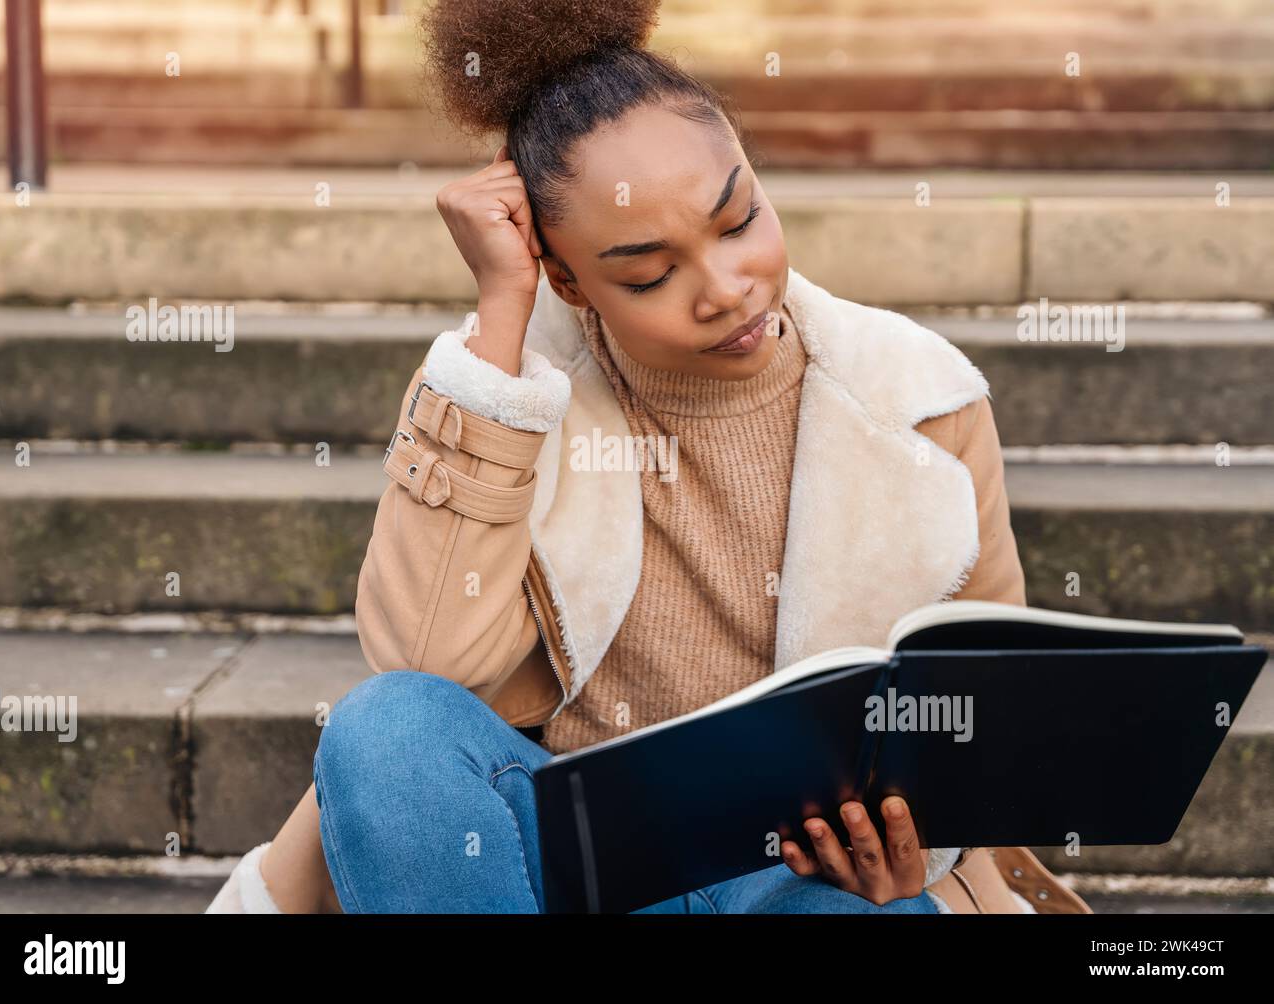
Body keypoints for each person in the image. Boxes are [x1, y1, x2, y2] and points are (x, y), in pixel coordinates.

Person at [207, 0, 1090, 916]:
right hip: (563, 868)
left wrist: (919, 845)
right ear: (566, 279)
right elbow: (429, 662)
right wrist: (501, 315)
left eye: (740, 218)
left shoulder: (921, 399)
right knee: (385, 729)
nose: (725, 287)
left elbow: (978, 709)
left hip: (797, 885)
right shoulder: (503, 392)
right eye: (648, 273)